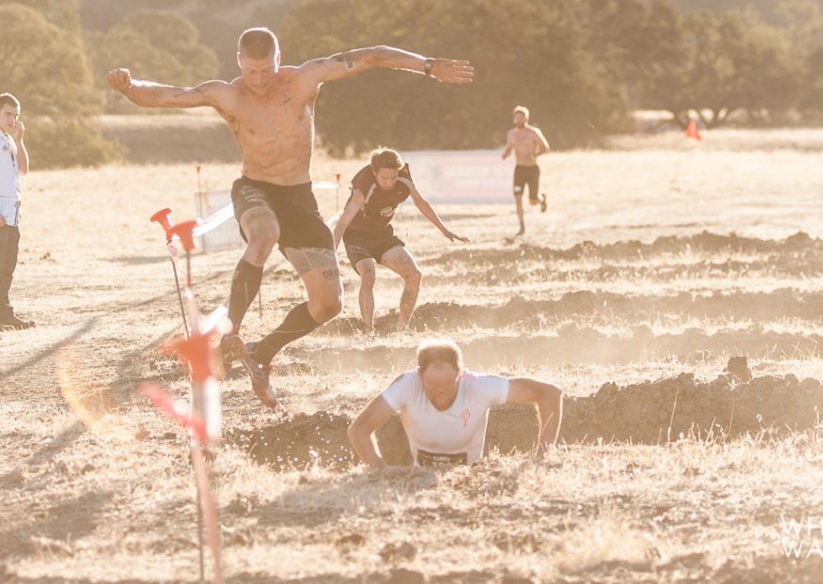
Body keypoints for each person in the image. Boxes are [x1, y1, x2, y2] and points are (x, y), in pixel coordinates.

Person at [107, 27, 473, 408]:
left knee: (328, 305)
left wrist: (428, 66)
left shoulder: (304, 80)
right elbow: (167, 96)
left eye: (267, 70)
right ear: (239, 62)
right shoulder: (226, 94)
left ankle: (261, 354)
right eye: (251, 71)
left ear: (279, 59)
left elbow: (372, 55)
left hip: (299, 199)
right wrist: (130, 87)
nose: (259, 80)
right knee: (264, 234)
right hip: (255, 190)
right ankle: (229, 334)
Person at [348, 338, 563, 469]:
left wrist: (543, 455)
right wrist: (379, 469)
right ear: (420, 375)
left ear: (460, 374)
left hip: (470, 478)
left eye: (448, 389)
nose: (441, 397)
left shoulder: (478, 386)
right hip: (419, 482)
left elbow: (549, 393)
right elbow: (358, 429)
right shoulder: (407, 385)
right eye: (433, 389)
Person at [332, 147, 469, 334]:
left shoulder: (404, 179)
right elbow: (342, 222)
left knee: (414, 275)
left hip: (382, 235)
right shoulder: (365, 185)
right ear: (374, 172)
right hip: (357, 236)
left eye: (393, 178)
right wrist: (330, 256)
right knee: (368, 273)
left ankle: (402, 330)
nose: (389, 183)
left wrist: (445, 230)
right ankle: (368, 332)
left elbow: (421, 203)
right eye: (384, 178)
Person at [0, 93, 33, 330]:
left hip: (12, 215)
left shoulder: (9, 140)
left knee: (7, 267)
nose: (12, 120)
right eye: (7, 114)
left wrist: (19, 140)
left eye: (16, 115)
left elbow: (23, 169)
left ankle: (4, 314)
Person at [501, 105, 550, 237]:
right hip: (519, 170)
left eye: (521, 118)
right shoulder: (511, 134)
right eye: (516, 118)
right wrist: (506, 154)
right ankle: (522, 226)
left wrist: (536, 154)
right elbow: (509, 148)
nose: (519, 120)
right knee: (518, 197)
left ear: (526, 119)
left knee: (532, 201)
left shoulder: (533, 132)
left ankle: (541, 199)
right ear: (513, 119)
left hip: (532, 169)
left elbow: (545, 147)